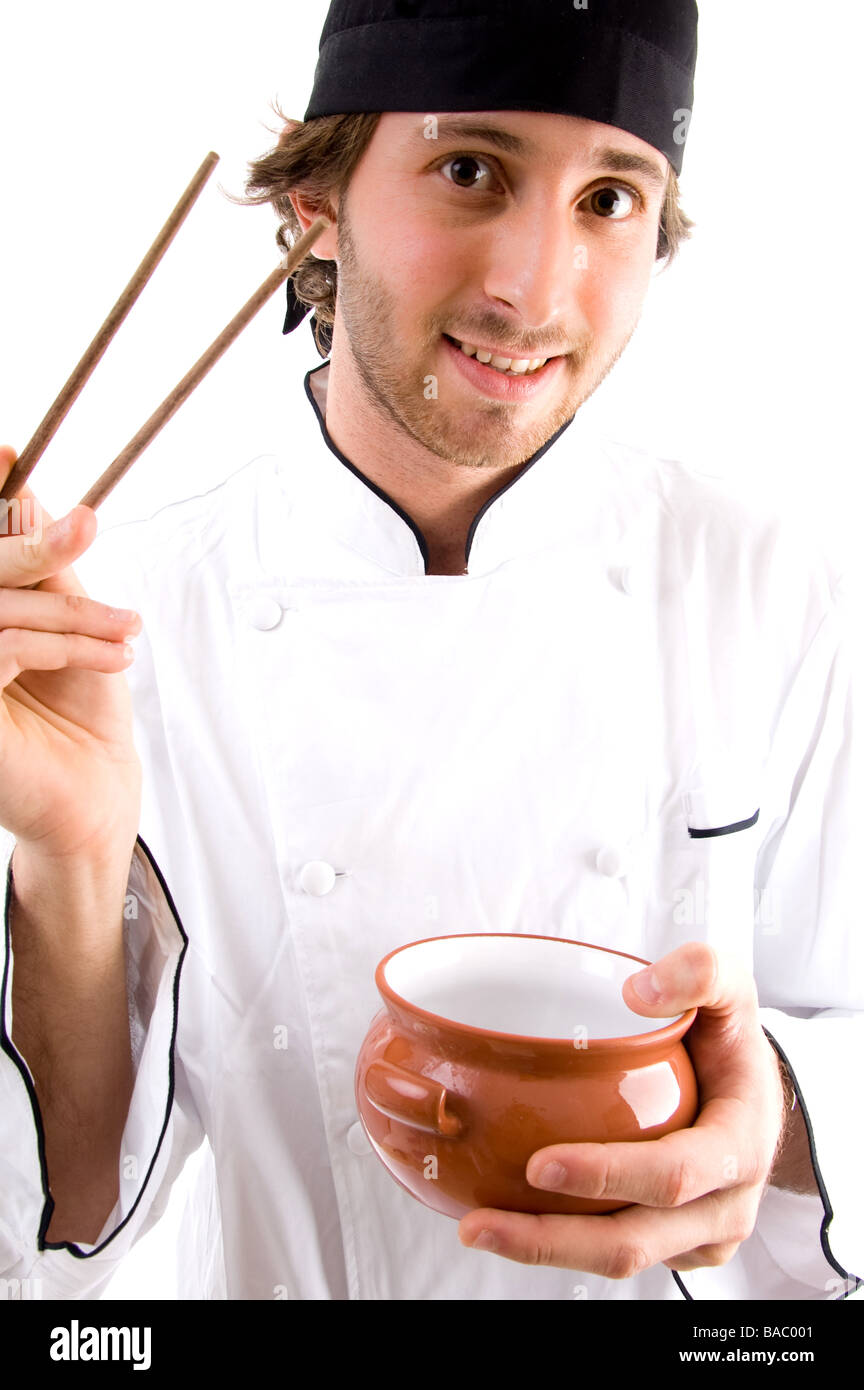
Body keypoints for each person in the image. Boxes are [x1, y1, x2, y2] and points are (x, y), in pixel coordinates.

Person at [0, 0, 861, 1301]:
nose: (534, 287)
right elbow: (62, 1241)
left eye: (612, 198)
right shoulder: (121, 617)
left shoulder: (767, 578)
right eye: (472, 169)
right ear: (316, 200)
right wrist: (69, 862)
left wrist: (778, 1111)